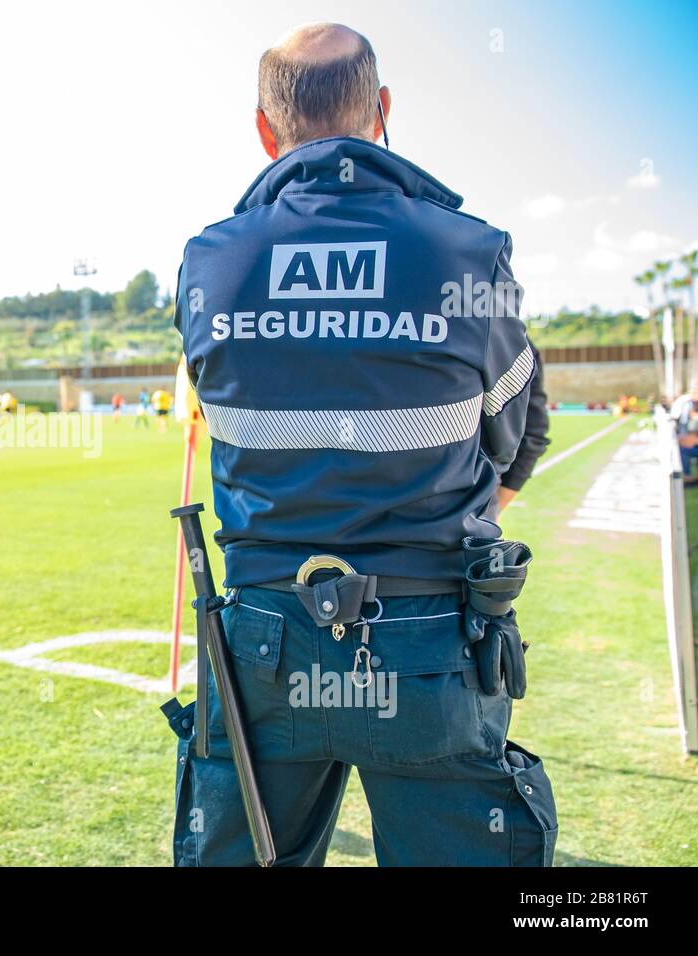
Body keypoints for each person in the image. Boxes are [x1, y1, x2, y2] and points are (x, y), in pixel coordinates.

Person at [168, 22, 554, 866]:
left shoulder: (209, 261)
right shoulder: (467, 248)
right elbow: (523, 429)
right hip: (431, 643)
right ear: (381, 110)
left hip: (261, 642)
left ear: (265, 129)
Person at [498, 345, 551, 511]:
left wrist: (495, 508)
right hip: (472, 502)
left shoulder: (517, 344)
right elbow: (534, 435)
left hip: (471, 500)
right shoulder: (515, 342)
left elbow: (533, 434)